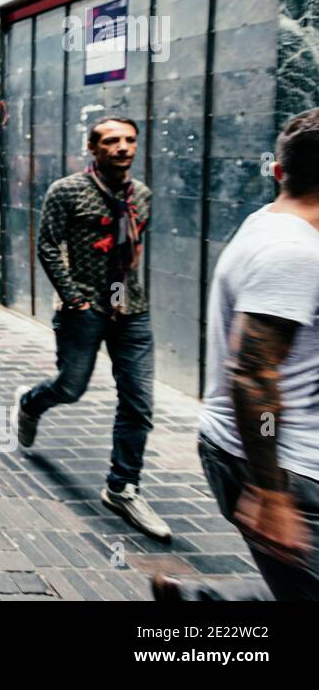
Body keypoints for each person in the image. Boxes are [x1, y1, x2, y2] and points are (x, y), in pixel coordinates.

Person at [153, 109, 319, 600]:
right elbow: (251, 374)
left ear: (279, 172)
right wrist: (270, 492)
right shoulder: (295, 252)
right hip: (288, 469)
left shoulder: (267, 222)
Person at [14, 117, 169, 541]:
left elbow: (132, 250)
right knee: (71, 387)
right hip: (82, 308)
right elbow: (46, 245)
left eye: (130, 140)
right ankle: (31, 403)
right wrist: (76, 297)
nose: (123, 147)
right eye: (112, 141)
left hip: (130, 309)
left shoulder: (141, 195)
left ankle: (122, 486)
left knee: (138, 401)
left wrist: (121, 298)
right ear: (93, 147)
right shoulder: (66, 191)